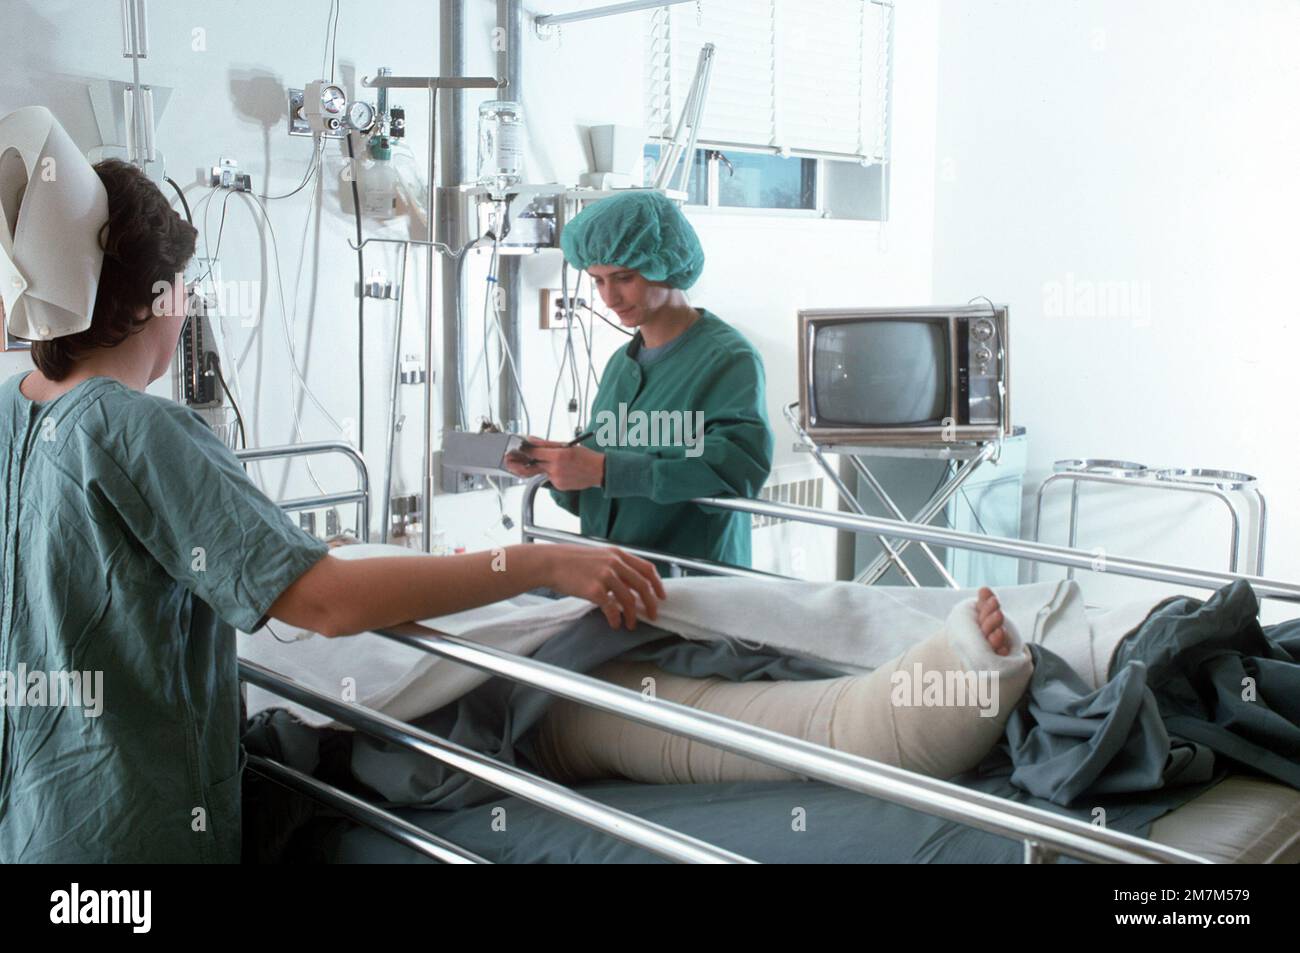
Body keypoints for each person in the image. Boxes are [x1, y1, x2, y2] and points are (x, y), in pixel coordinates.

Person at [0, 157, 663, 863]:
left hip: (36, 821)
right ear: (153, 299)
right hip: (130, 834)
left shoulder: (17, 407)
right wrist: (543, 560)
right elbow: (327, 604)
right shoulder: (135, 429)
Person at [505, 190, 773, 570]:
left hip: (691, 585)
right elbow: (603, 489)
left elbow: (736, 469)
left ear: (666, 264)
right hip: (613, 576)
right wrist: (553, 467)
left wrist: (603, 470)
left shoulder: (727, 360)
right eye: (597, 281)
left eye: (624, 278)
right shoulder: (621, 365)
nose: (609, 297)